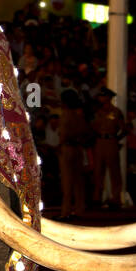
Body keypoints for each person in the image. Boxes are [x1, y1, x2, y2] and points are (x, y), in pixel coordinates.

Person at [91, 86, 126, 209]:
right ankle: (97, 198)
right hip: (100, 141)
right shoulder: (97, 112)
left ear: (109, 98)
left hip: (111, 140)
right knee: (98, 171)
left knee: (114, 172)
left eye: (103, 96)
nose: (101, 98)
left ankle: (116, 198)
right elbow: (92, 127)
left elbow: (124, 129)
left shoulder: (116, 112)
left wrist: (116, 139)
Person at [57, 88, 89, 219]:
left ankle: (66, 211)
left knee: (67, 182)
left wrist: (59, 145)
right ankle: (79, 209)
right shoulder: (79, 115)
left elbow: (64, 134)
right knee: (78, 182)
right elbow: (86, 132)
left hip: (67, 148)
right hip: (78, 149)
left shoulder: (65, 115)